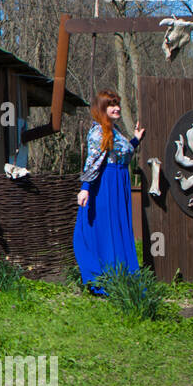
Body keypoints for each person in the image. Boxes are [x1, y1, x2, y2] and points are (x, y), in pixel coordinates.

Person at [73, 89, 145, 295]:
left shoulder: (115, 130)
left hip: (119, 183)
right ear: (101, 109)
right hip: (106, 184)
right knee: (107, 229)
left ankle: (122, 275)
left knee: (119, 229)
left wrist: (136, 140)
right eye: (111, 105)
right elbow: (93, 162)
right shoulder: (98, 132)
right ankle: (104, 278)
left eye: (117, 104)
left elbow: (122, 153)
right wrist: (85, 189)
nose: (117, 108)